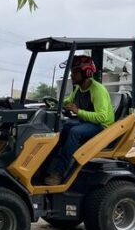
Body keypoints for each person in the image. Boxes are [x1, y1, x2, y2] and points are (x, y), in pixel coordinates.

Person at [45, 54, 115, 185]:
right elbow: (68, 101)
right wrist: (57, 103)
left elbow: (102, 117)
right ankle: (51, 163)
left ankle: (59, 173)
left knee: (74, 132)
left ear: (86, 72)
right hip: (88, 122)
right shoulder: (78, 88)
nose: (72, 75)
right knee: (64, 127)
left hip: (103, 127)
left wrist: (78, 111)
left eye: (75, 72)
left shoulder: (97, 90)